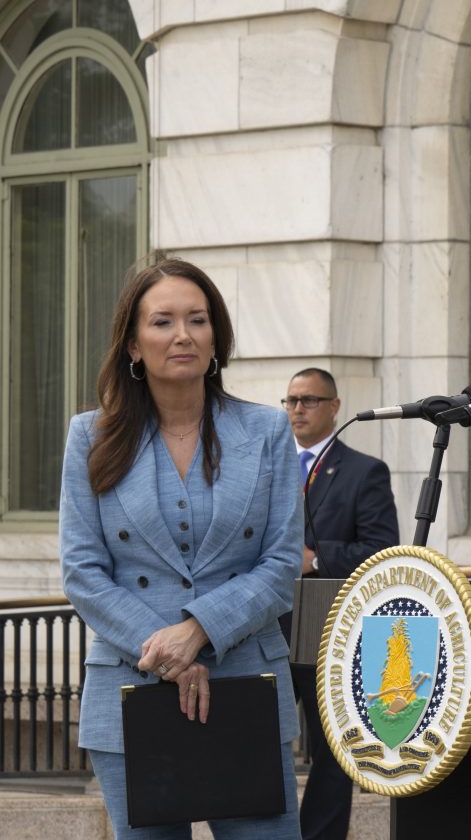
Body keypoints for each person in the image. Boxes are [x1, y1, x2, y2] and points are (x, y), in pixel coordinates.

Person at [59, 256, 303, 838]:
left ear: (216, 337)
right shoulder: (89, 436)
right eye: (163, 322)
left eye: (197, 320)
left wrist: (196, 630)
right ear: (134, 344)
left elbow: (281, 563)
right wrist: (165, 652)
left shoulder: (267, 431)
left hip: (247, 681)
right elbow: (82, 571)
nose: (183, 335)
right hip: (130, 685)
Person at [280, 367, 399, 840]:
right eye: (290, 401)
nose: (297, 410)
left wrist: (316, 558)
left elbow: (381, 548)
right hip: (269, 625)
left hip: (331, 631)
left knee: (334, 750)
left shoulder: (362, 471)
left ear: (334, 406)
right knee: (261, 739)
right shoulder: (267, 467)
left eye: (308, 400)